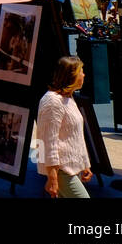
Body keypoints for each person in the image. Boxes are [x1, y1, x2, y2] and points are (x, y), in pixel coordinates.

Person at [37, 56, 93, 198]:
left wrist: (85, 164)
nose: (84, 74)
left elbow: (75, 136)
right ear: (72, 75)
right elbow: (48, 142)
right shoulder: (52, 102)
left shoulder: (68, 98)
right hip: (61, 170)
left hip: (72, 168)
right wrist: (52, 177)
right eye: (81, 71)